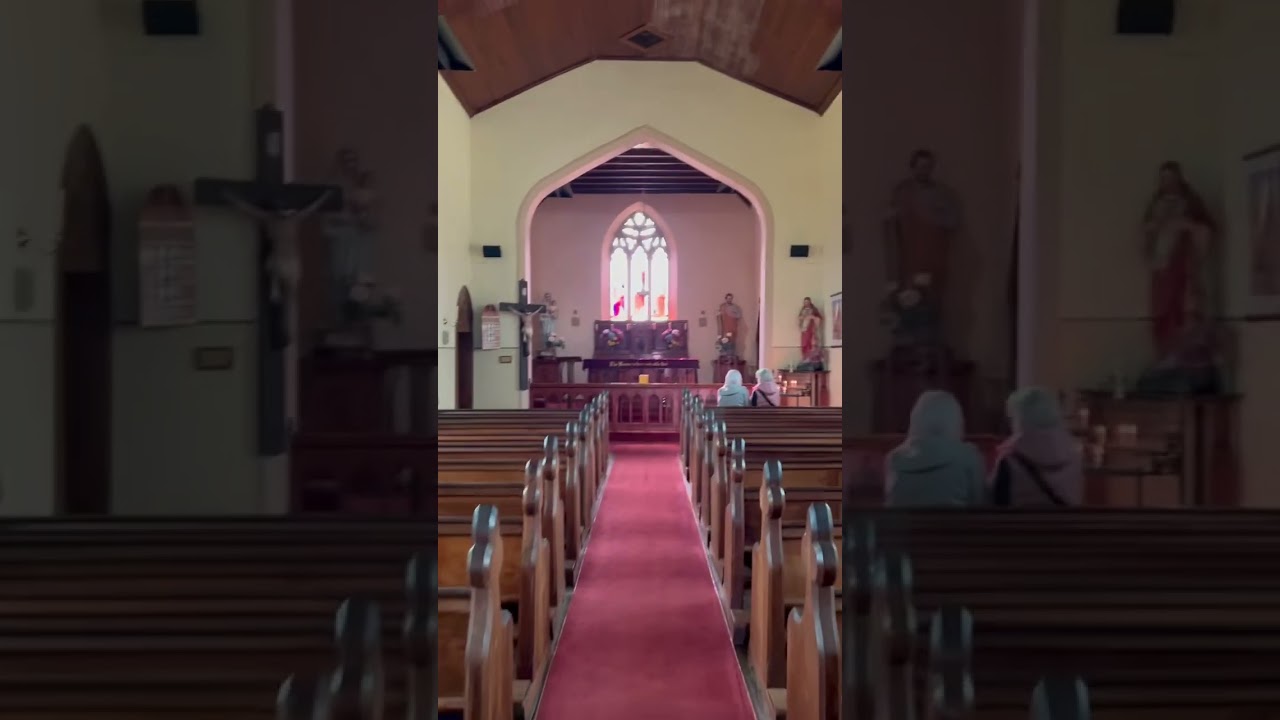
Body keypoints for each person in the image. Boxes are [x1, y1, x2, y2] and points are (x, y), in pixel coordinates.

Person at [884, 390, 986, 507]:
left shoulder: (893, 458)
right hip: (955, 524)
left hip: (903, 525)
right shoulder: (969, 456)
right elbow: (980, 506)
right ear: (956, 420)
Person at [989, 387, 1083, 507]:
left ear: (1020, 419)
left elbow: (994, 504)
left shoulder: (1010, 463)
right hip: (1066, 525)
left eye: (1012, 418)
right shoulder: (1074, 458)